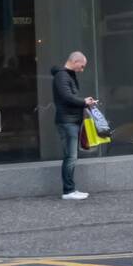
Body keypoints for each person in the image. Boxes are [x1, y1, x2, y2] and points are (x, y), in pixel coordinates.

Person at [51, 52, 96, 201]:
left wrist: (84, 101)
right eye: (81, 66)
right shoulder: (62, 76)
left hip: (71, 120)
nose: (82, 70)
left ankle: (70, 190)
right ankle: (68, 191)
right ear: (75, 61)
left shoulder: (68, 75)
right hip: (67, 121)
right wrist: (84, 102)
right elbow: (67, 97)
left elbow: (70, 96)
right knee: (70, 157)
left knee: (71, 156)